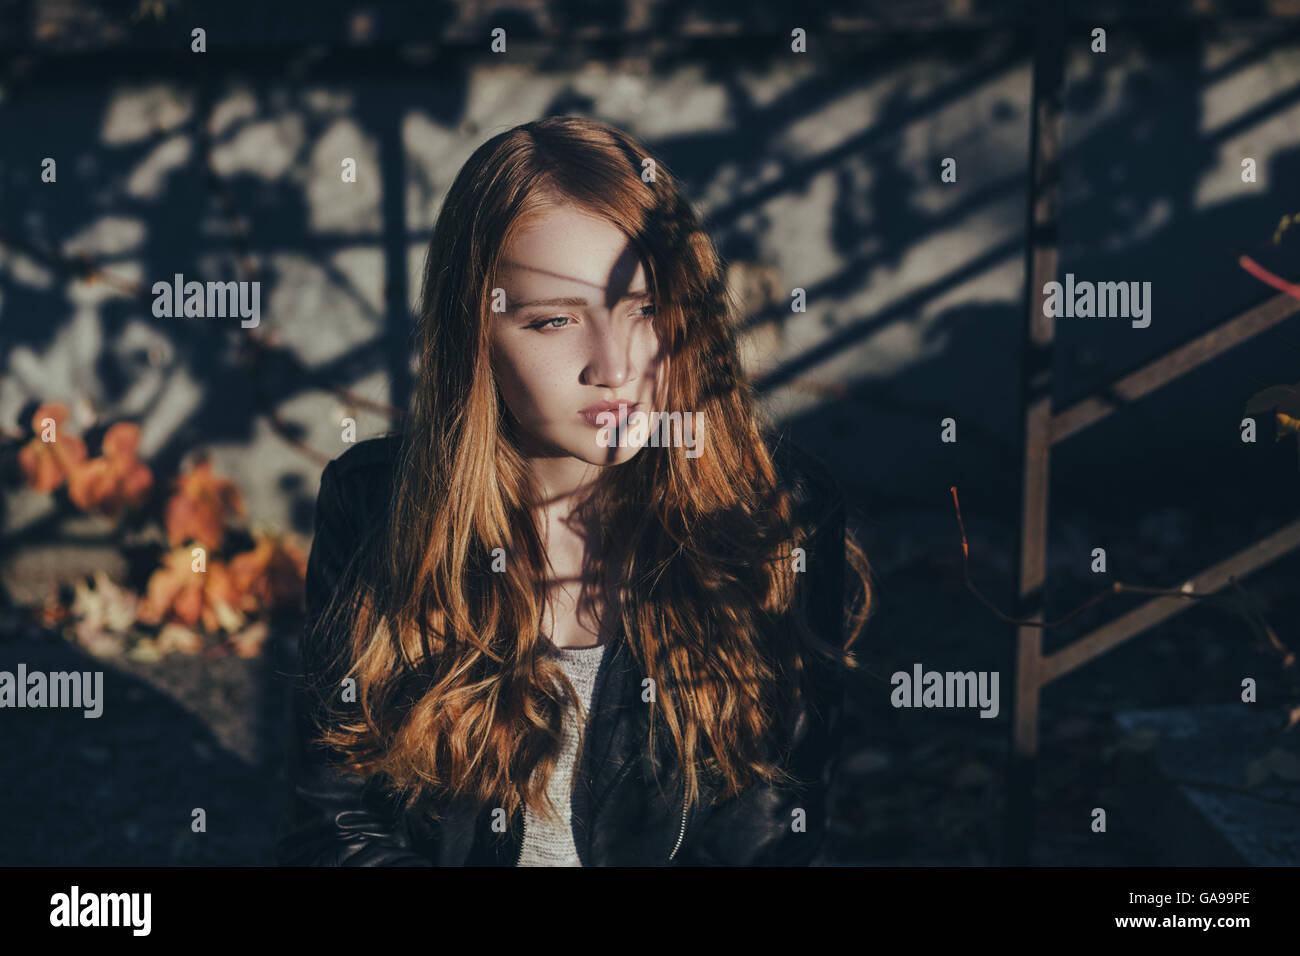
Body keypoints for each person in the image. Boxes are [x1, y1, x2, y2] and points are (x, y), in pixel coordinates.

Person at [274, 115, 873, 867]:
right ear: (476, 334)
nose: (613, 367)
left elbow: (768, 842)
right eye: (555, 320)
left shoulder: (775, 518)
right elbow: (334, 830)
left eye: (646, 310)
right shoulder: (377, 507)